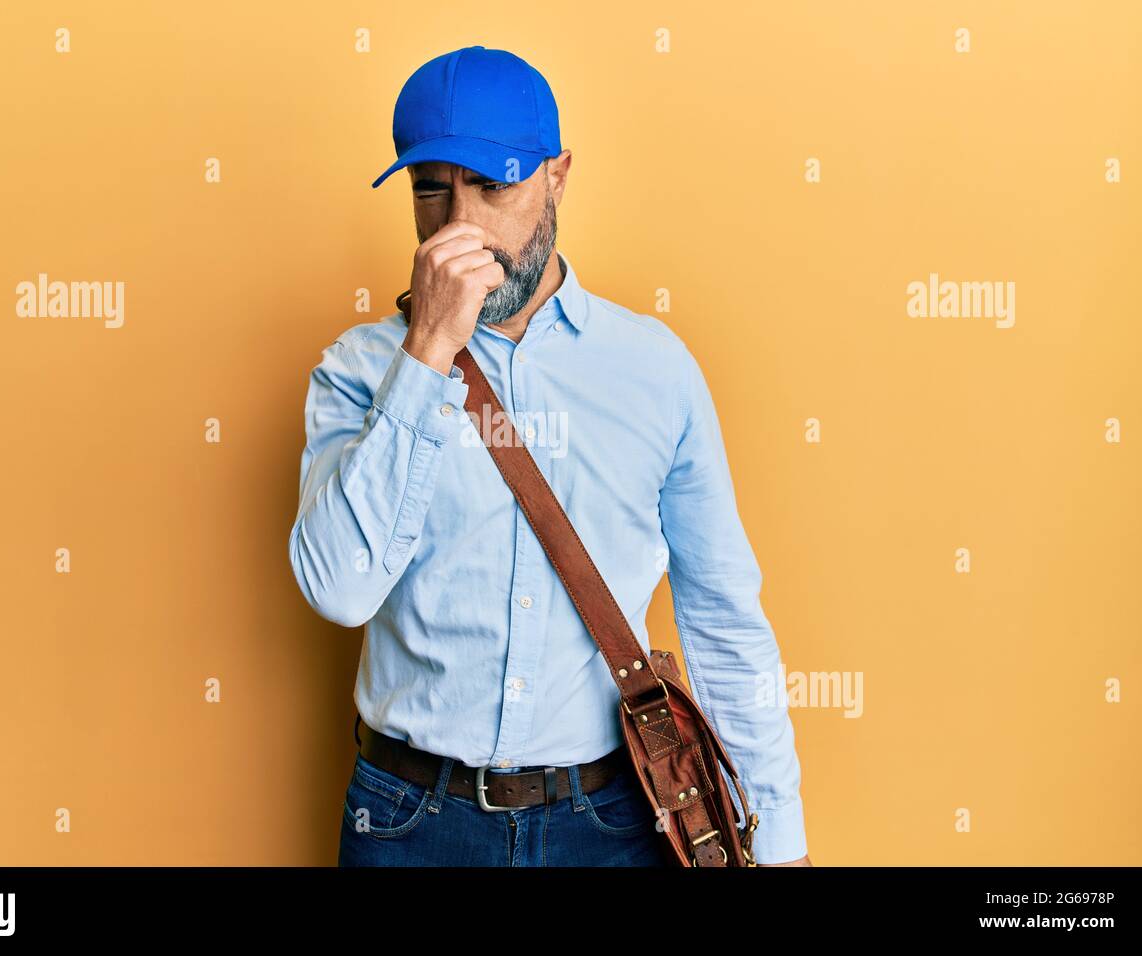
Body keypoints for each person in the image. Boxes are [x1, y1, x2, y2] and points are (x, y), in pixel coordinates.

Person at [289, 45, 811, 867]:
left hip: (608, 823)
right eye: (433, 190)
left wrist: (778, 841)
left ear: (557, 176)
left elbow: (722, 615)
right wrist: (425, 354)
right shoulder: (357, 370)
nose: (459, 224)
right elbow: (339, 591)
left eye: (493, 185)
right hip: (407, 821)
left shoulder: (655, 370)